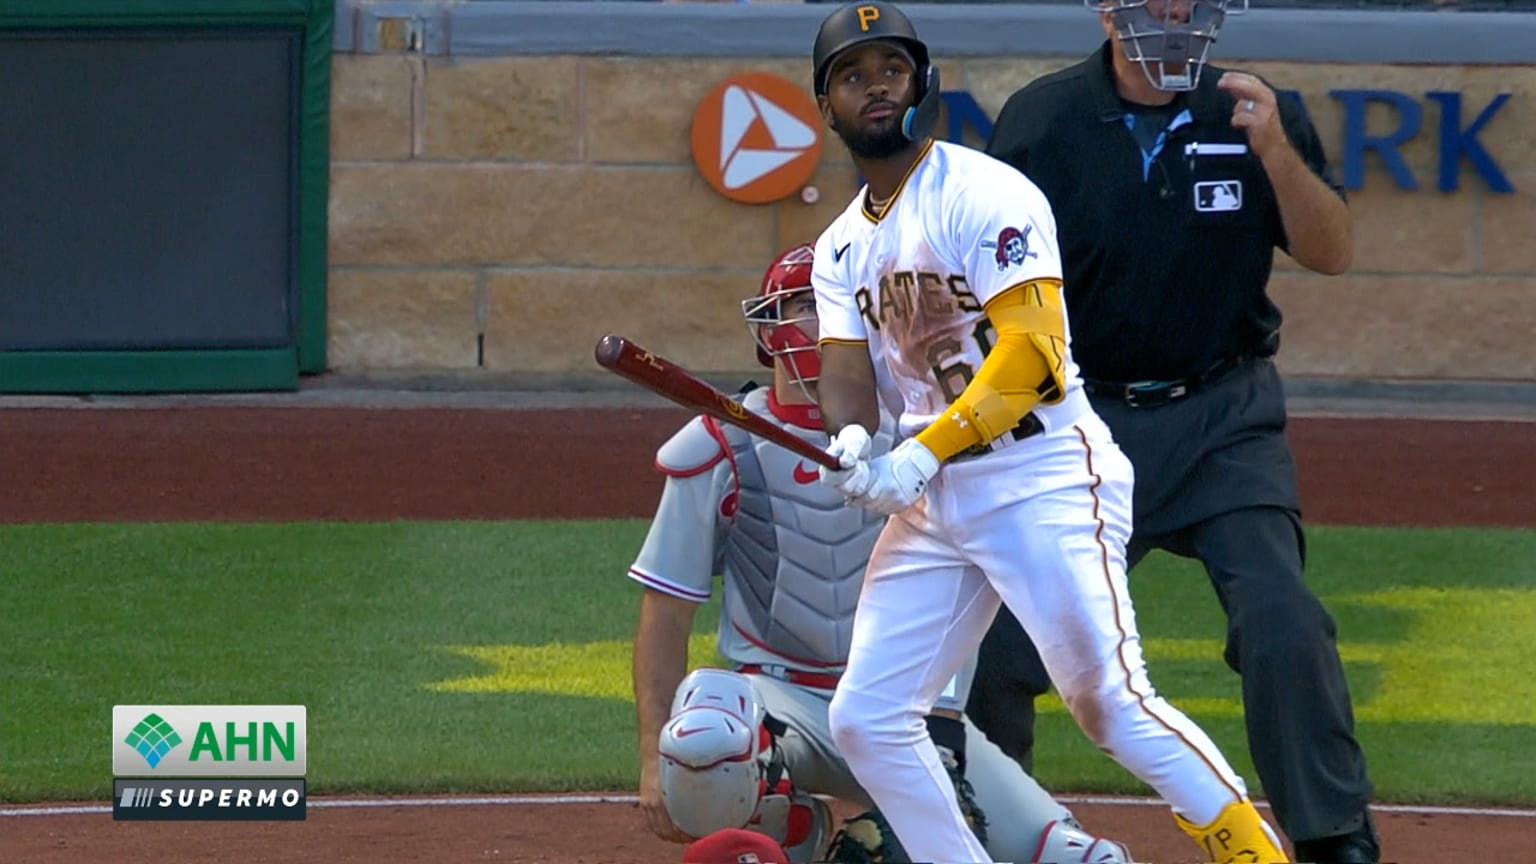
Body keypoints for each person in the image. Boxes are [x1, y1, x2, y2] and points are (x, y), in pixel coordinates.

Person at [805, 2, 1291, 862]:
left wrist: (915, 453)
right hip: (936, 498)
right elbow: (846, 371)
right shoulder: (840, 248)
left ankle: (1249, 846)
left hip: (1042, 475)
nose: (875, 87)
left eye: (891, 68)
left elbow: (1032, 355)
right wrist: (851, 439)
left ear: (925, 82)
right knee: (868, 715)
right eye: (852, 75)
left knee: (1108, 699)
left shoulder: (983, 192)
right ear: (826, 104)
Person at [972, 2, 1380, 862]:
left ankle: (1331, 834)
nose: (1170, 10)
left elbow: (1334, 249)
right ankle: (986, 822)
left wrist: (1274, 150)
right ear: (1106, 7)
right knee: (1001, 637)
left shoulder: (1255, 109)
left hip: (1223, 417)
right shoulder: (1042, 121)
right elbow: (985, 283)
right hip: (1080, 417)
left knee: (1282, 619)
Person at [629, 244, 1132, 864]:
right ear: (770, 325)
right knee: (706, 737)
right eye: (805, 305)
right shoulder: (718, 447)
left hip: (903, 708)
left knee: (1085, 861)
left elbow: (964, 588)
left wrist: (941, 727)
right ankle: (790, 835)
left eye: (834, 305)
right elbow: (665, 612)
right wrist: (655, 754)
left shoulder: (932, 435)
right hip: (778, 701)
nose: (821, 321)